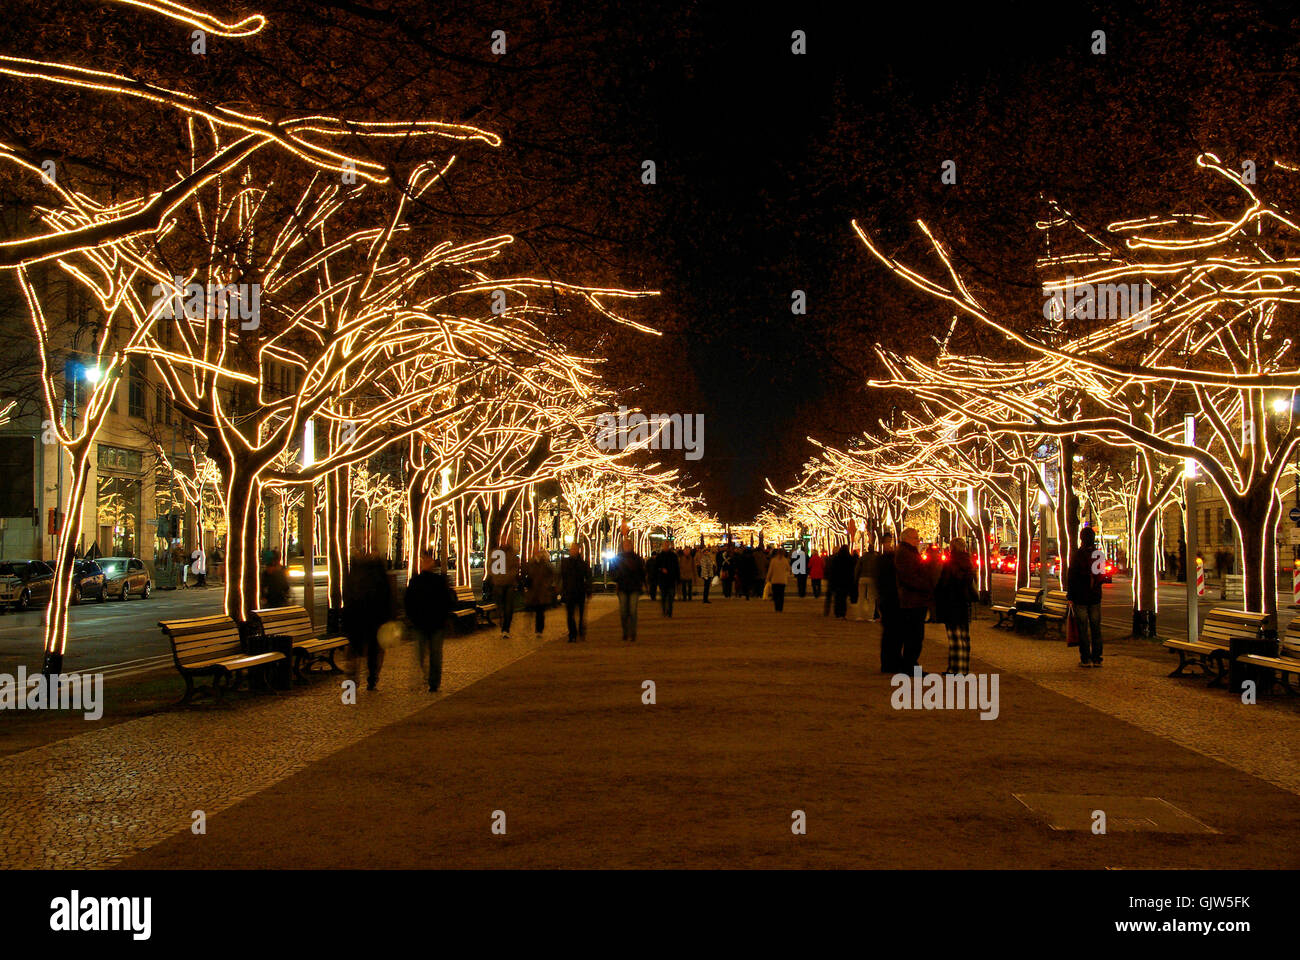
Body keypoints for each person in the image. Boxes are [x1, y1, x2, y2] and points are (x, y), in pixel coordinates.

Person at [405, 550, 456, 692]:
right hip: (421, 623)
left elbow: (447, 600)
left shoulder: (438, 581)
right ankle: (429, 677)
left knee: (435, 654)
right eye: (424, 561)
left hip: (435, 623)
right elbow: (408, 601)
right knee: (422, 653)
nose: (426, 563)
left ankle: (434, 682)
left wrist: (444, 616)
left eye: (428, 561)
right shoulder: (415, 581)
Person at [343, 552, 394, 691]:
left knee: (355, 649)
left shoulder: (354, 572)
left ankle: (351, 684)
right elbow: (387, 596)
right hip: (374, 619)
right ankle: (371, 680)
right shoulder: (378, 572)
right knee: (373, 650)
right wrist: (388, 617)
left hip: (357, 618)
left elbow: (347, 596)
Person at [894, 528, 935, 671]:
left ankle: (910, 664)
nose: (918, 540)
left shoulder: (908, 552)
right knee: (914, 635)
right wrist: (926, 585)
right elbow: (909, 577)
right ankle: (910, 665)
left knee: (914, 635)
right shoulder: (906, 554)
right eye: (915, 538)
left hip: (914, 599)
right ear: (907, 539)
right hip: (912, 600)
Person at [935, 537, 976, 675]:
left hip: (952, 602)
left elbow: (944, 583)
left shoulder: (951, 563)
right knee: (964, 635)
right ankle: (963, 667)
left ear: (951, 548)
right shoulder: (968, 562)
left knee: (954, 637)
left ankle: (955, 668)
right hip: (964, 602)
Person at [1068, 526, 1106, 667]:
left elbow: (1071, 576)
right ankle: (1097, 657)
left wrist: (1070, 596)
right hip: (1095, 596)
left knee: (1083, 629)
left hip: (1080, 596)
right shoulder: (1098, 555)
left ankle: (1085, 658)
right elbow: (1101, 577)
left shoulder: (1078, 555)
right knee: (1096, 628)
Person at [612, 538, 646, 641]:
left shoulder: (637, 558)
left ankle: (632, 632)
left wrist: (643, 584)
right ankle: (625, 631)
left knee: (632, 610)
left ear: (632, 546)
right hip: (622, 587)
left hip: (634, 587)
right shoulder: (618, 558)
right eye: (625, 545)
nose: (627, 547)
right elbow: (613, 571)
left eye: (628, 545)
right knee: (623, 611)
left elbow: (642, 572)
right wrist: (617, 578)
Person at [486, 538, 521, 638]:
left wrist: (508, 577)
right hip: (499, 584)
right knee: (501, 606)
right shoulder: (496, 552)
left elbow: (516, 568)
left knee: (508, 608)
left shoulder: (512, 553)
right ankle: (503, 622)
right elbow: (490, 567)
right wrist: (497, 578)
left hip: (509, 584)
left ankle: (506, 629)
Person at [877, 534, 901, 672]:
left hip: (888, 598)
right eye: (888, 542)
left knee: (891, 633)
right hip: (890, 598)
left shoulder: (883, 560)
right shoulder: (887, 561)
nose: (890, 544)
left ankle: (890, 662)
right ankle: (890, 663)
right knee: (891, 632)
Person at [560, 542, 592, 642]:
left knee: (581, 614)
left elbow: (588, 577)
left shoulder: (583, 563)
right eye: (571, 549)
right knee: (570, 614)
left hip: (580, 591)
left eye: (574, 549)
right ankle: (572, 634)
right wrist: (562, 590)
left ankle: (581, 630)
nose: (572, 550)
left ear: (578, 550)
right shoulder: (565, 563)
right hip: (569, 591)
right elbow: (562, 577)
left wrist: (588, 590)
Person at [524, 547, 555, 637]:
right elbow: (527, 574)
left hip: (542, 591)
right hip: (533, 590)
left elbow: (552, 573)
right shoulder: (531, 563)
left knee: (540, 611)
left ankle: (539, 630)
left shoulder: (545, 563)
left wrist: (547, 584)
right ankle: (530, 627)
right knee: (532, 610)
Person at [829, 545, 856, 618]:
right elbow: (852, 571)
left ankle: (837, 612)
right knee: (843, 598)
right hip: (846, 581)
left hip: (837, 581)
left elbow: (833, 570)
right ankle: (842, 613)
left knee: (838, 597)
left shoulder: (836, 558)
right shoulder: (850, 559)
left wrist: (832, 581)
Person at [655, 540, 679, 617]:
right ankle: (664, 609)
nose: (666, 546)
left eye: (667, 545)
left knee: (671, 596)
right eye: (665, 545)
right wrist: (661, 569)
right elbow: (656, 567)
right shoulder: (659, 556)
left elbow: (676, 567)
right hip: (663, 579)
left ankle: (670, 611)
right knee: (663, 596)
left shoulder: (673, 556)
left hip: (671, 579)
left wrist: (677, 578)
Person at [855, 547, 879, 622]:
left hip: (862, 578)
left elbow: (857, 568)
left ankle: (860, 615)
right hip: (872, 578)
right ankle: (870, 616)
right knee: (871, 598)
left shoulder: (862, 558)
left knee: (861, 597)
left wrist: (856, 578)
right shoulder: (876, 558)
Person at [766, 547, 791, 611]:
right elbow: (789, 569)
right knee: (781, 594)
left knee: (776, 594)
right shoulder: (785, 560)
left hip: (775, 580)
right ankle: (780, 607)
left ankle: (777, 607)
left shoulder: (773, 560)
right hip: (782, 580)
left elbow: (770, 570)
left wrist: (768, 578)